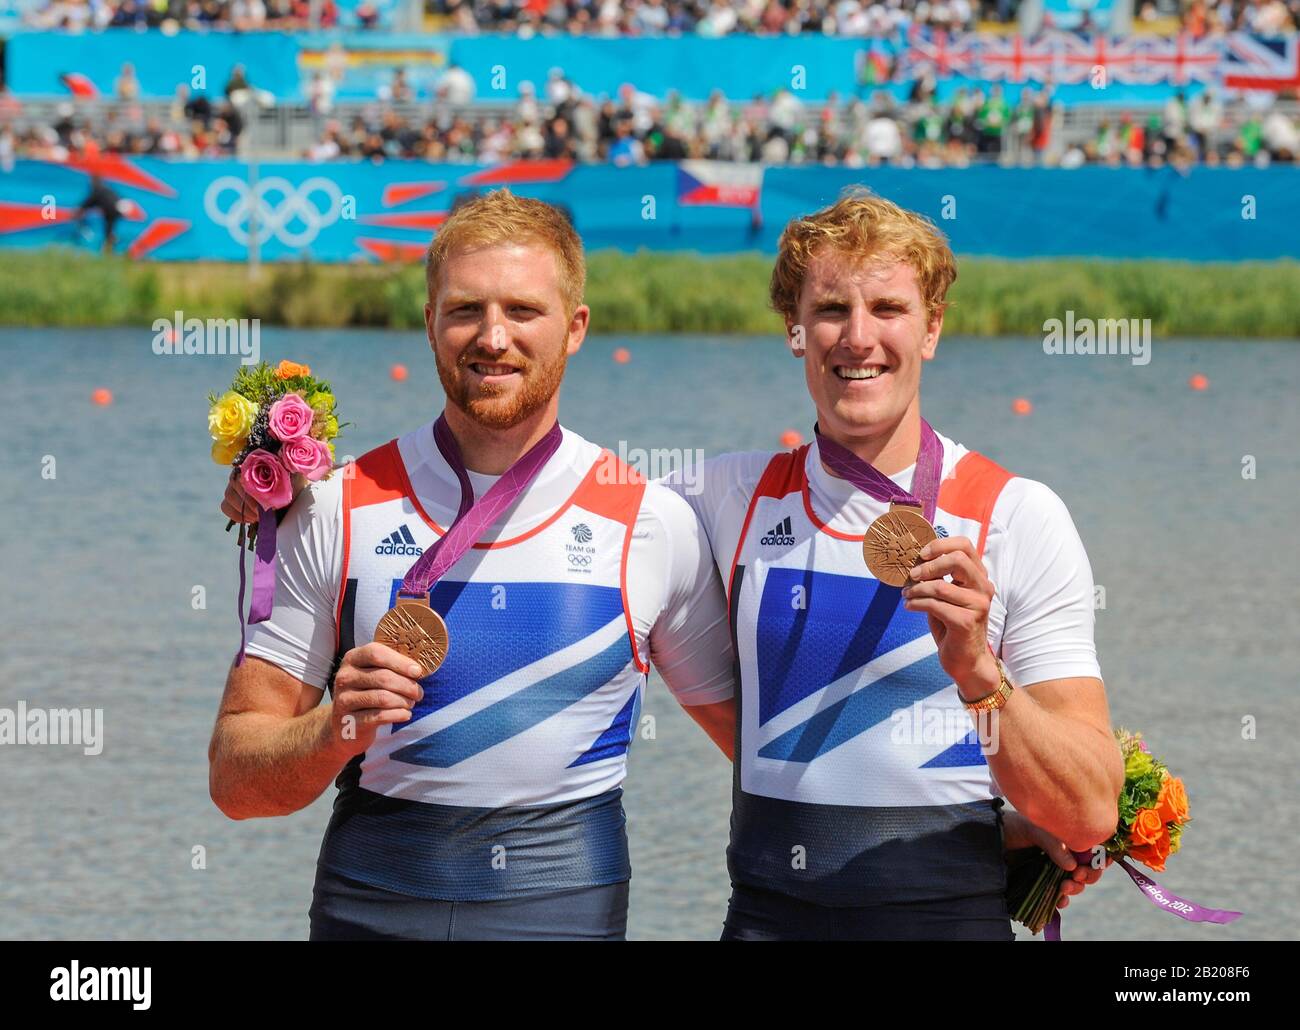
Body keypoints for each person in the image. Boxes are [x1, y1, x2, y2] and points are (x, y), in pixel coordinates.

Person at [208, 190, 736, 941]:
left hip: (563, 914)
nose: (493, 338)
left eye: (523, 310)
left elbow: (764, 756)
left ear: (576, 327)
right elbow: (235, 782)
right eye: (465, 311)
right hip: (369, 911)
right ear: (429, 324)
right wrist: (332, 731)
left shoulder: (651, 521)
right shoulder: (335, 508)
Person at [662, 189, 1123, 940]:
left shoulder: (1018, 517)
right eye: (832, 309)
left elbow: (1090, 812)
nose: (858, 337)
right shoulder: (717, 499)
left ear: (932, 328)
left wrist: (979, 674)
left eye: (889, 309)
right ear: (794, 329)